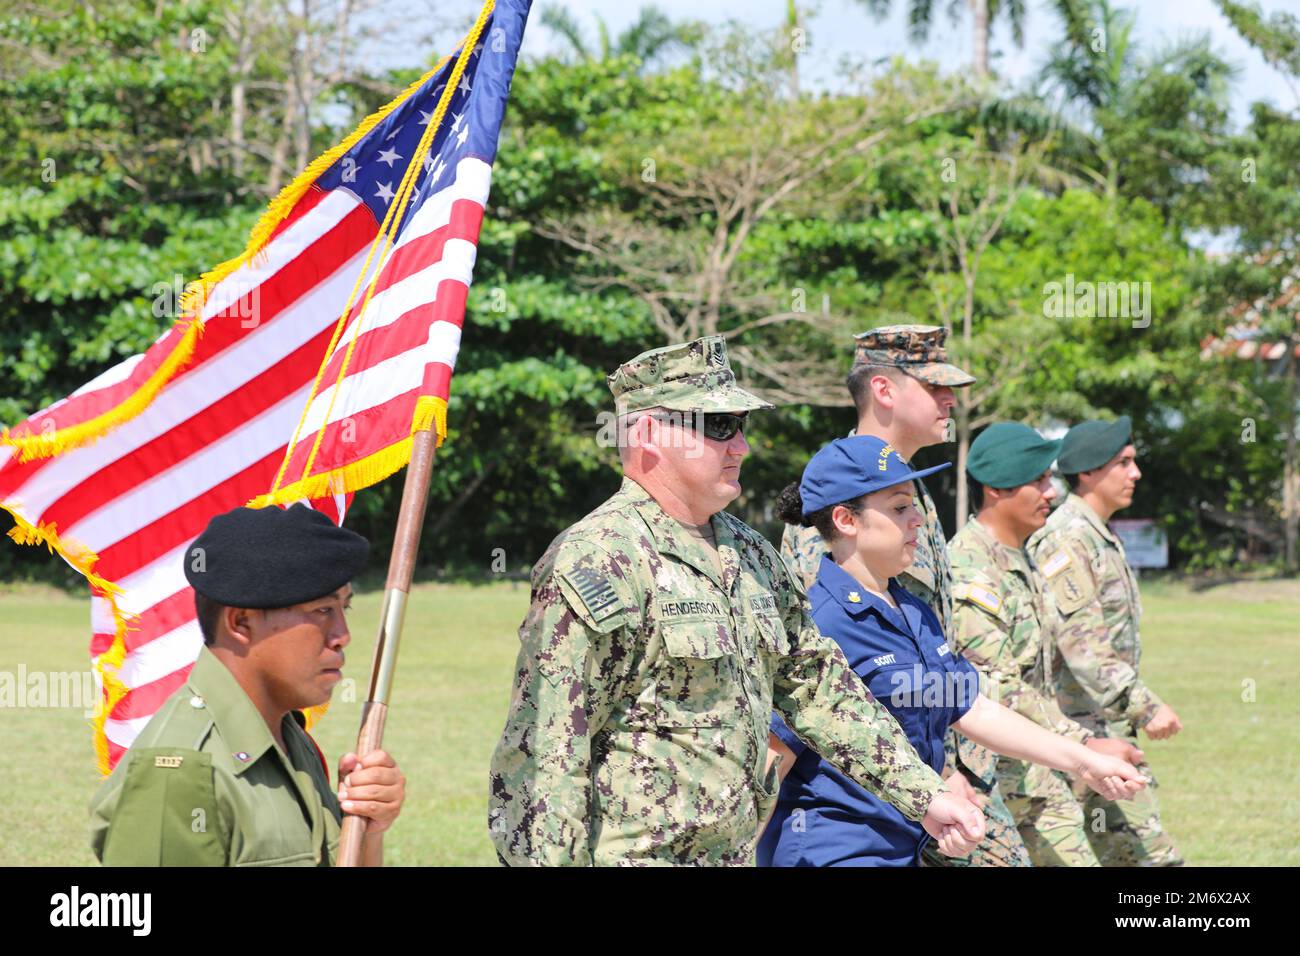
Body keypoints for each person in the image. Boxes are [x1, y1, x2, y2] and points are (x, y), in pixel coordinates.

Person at [488, 336, 986, 866]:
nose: (741, 446)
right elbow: (545, 757)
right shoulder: (599, 559)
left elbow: (820, 689)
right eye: (718, 426)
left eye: (741, 426)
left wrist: (923, 795)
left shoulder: (750, 552)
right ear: (652, 433)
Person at [759, 436, 1146, 867]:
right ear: (846, 520)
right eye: (899, 507)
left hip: (907, 844)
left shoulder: (911, 609)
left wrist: (1084, 762)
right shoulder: (823, 624)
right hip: (835, 849)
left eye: (914, 505)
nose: (918, 519)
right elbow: (775, 756)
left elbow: (972, 708)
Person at [780, 324, 1027, 867]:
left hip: (948, 762)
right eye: (935, 385)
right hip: (873, 802)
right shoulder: (833, 510)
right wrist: (931, 785)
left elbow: (935, 648)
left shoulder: (914, 496)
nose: (951, 399)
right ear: (884, 391)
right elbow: (820, 688)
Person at [90, 504, 406, 866]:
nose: (342, 636)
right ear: (241, 623)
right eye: (322, 611)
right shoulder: (180, 774)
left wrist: (366, 830)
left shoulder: (286, 737)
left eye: (343, 610)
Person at [949, 423, 1146, 866]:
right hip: (991, 783)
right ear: (996, 488)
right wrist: (1085, 744)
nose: (1051, 492)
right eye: (1037, 480)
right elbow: (998, 687)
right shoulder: (970, 570)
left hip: (1037, 774)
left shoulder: (1025, 555)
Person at [1028, 416, 1185, 866]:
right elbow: (1084, 646)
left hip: (1098, 729)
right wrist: (1146, 706)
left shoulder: (1097, 534)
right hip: (1077, 734)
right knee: (1150, 858)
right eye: (1124, 463)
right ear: (1089, 472)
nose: (1135, 474)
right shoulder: (1068, 538)